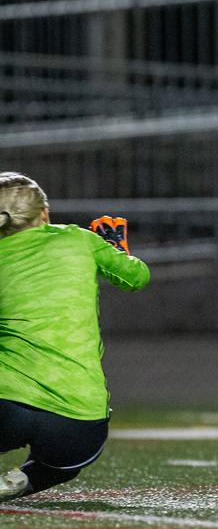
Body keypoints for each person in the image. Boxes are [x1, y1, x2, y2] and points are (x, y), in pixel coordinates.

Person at [0, 173, 149, 503]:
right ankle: (24, 478)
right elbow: (137, 277)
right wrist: (115, 248)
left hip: (6, 404)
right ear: (45, 214)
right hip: (79, 425)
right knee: (63, 464)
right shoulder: (80, 239)